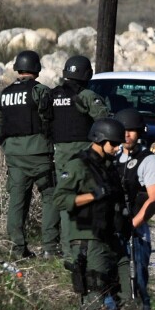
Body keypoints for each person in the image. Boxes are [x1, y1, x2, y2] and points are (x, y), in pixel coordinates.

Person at [53, 117, 128, 310]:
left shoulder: (108, 166)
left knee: (123, 293)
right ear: (99, 140)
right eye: (113, 143)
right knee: (95, 295)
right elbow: (60, 199)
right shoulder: (78, 164)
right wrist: (92, 195)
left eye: (118, 144)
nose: (116, 148)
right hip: (88, 238)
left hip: (111, 235)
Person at [0, 50, 54, 259]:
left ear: (18, 68)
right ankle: (50, 248)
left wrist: (9, 145)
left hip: (14, 156)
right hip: (40, 153)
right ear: (36, 69)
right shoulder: (41, 91)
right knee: (50, 197)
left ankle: (17, 248)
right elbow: (49, 120)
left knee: (17, 201)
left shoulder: (3, 94)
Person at [48, 55, 110, 261]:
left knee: (66, 198)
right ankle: (86, 248)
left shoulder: (52, 95)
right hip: (83, 153)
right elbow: (105, 122)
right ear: (87, 75)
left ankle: (68, 252)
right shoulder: (87, 96)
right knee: (89, 199)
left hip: (59, 152)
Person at [114, 108, 155, 310]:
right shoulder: (113, 157)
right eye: (123, 130)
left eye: (131, 130)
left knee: (139, 283)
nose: (126, 135)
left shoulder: (149, 160)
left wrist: (134, 223)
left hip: (136, 231)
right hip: (114, 230)